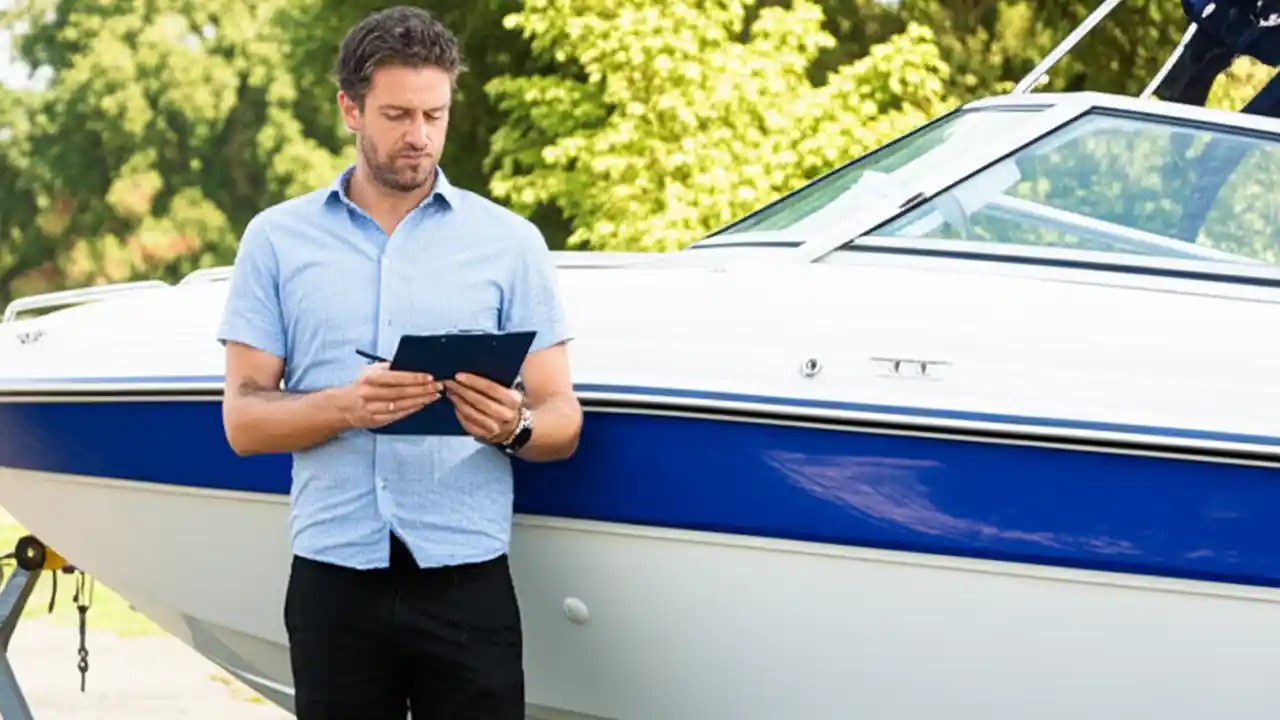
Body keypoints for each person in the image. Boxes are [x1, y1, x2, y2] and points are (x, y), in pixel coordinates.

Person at [215, 6, 582, 719]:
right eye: (396, 114)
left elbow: (562, 416)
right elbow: (243, 419)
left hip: (467, 581)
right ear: (349, 109)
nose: (419, 136)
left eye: (434, 115)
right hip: (334, 583)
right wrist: (345, 407)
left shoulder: (510, 244)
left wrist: (514, 426)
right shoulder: (275, 241)